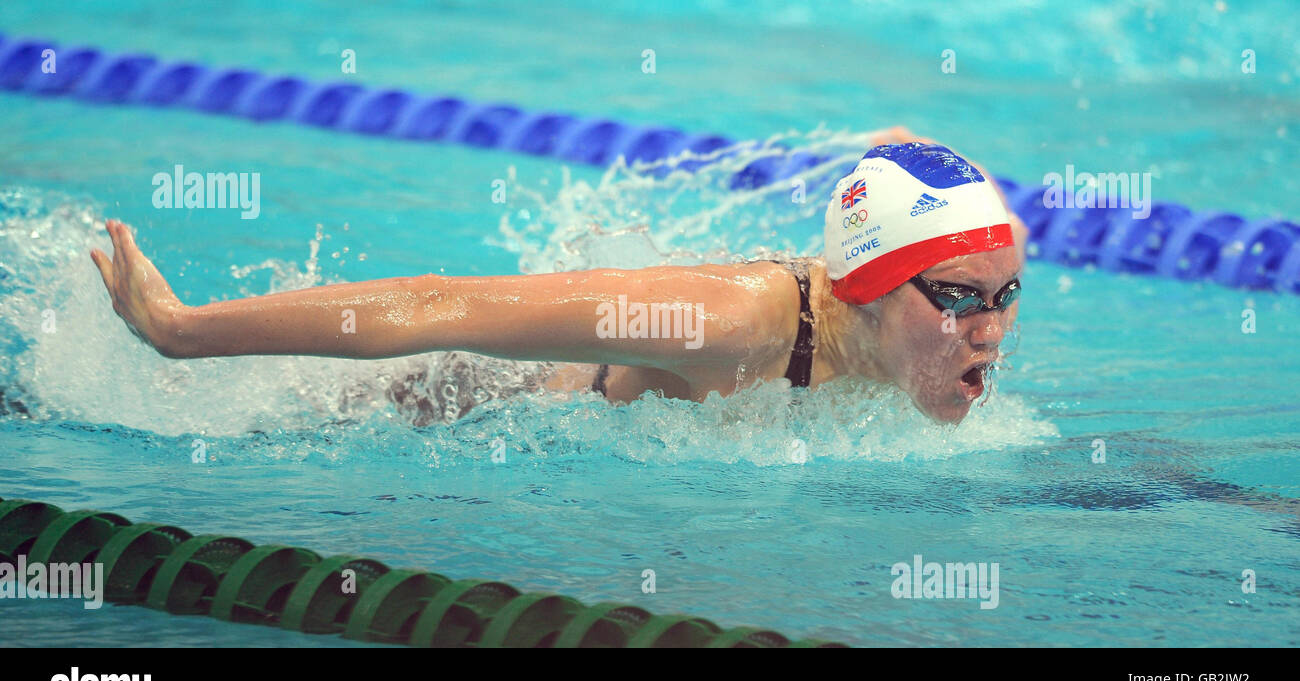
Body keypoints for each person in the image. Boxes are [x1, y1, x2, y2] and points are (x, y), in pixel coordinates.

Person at [91, 129, 1027, 425]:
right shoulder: (724, 325)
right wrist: (179, 329)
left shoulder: (911, 319)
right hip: (473, 401)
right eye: (956, 297)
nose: (990, 328)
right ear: (864, 285)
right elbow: (436, 306)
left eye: (1005, 295)